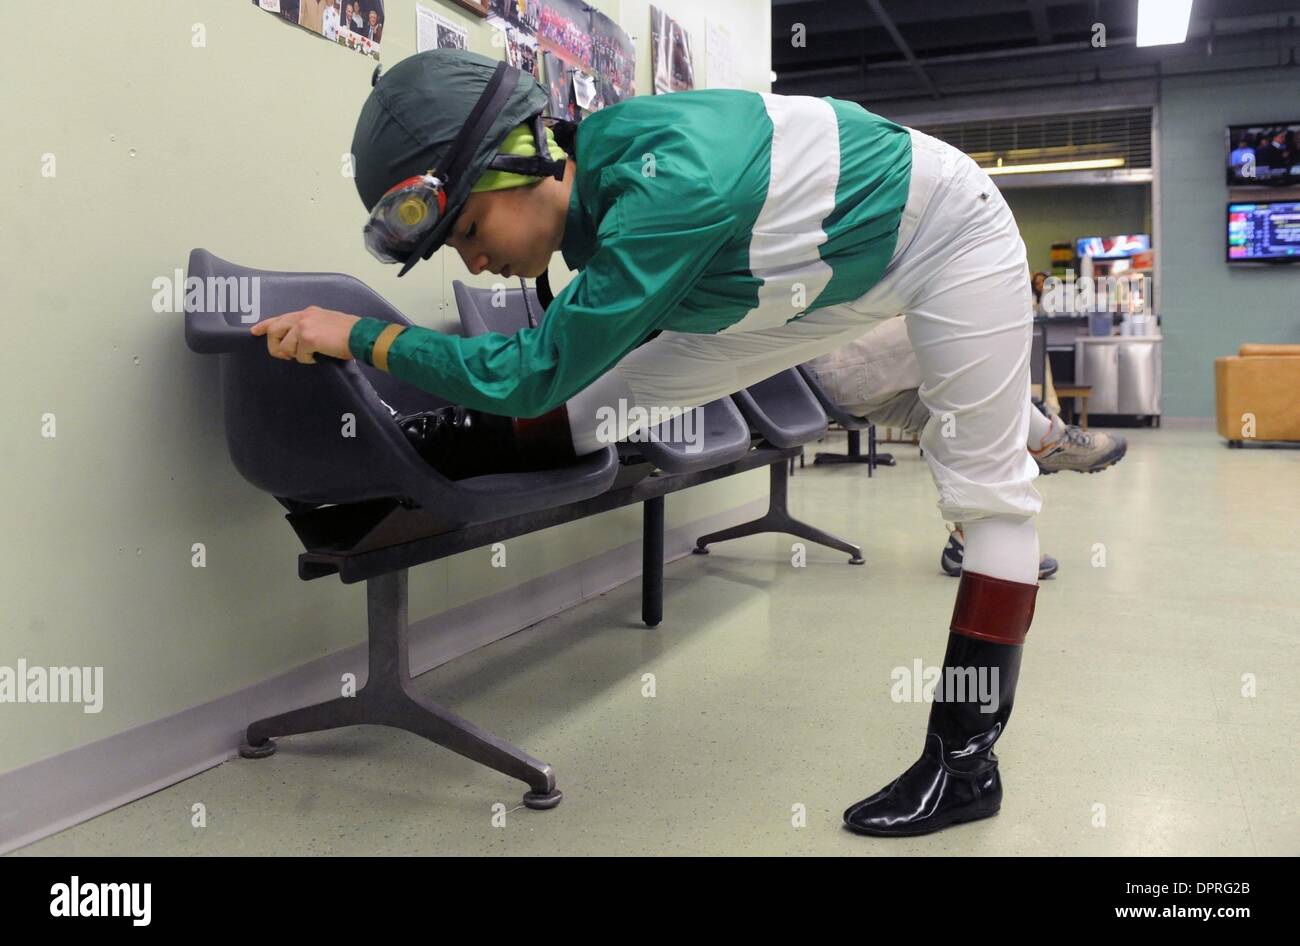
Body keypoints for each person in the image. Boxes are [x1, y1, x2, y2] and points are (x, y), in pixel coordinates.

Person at [251, 49, 1049, 837]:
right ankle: (395, 474)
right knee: (601, 404)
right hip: (808, 278)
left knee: (988, 497)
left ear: (520, 160)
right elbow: (559, 382)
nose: (477, 260)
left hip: (947, 238)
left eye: (466, 229)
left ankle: (966, 762)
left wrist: (359, 336)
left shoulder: (670, 187)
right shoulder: (603, 178)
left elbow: (530, 375)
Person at [803, 314, 1128, 581]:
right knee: (969, 330)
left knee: (955, 413)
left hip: (823, 358)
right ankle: (1047, 439)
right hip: (807, 363)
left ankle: (969, 538)